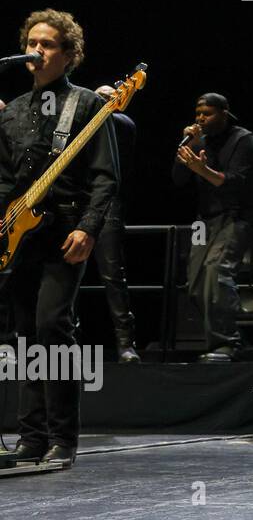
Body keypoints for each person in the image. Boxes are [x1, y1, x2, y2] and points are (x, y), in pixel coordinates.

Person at [0, 10, 118, 466]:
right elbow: (5, 180)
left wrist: (88, 227)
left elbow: (106, 178)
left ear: (69, 55)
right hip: (19, 236)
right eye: (32, 42)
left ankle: (63, 438)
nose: (36, 50)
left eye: (47, 44)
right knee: (25, 333)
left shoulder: (86, 106)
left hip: (65, 231)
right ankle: (31, 436)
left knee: (52, 324)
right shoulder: (12, 112)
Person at [171, 93, 253, 363]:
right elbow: (178, 180)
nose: (200, 119)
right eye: (198, 113)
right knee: (195, 283)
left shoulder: (243, 139)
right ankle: (226, 340)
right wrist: (187, 150)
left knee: (216, 272)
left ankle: (227, 345)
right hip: (203, 221)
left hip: (236, 215)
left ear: (224, 113)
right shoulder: (200, 141)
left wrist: (202, 169)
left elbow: (235, 182)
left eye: (207, 113)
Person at [92, 85, 139, 362]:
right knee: (65, 273)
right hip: (78, 201)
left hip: (109, 203)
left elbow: (118, 126)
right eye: (98, 99)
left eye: (108, 99)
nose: (102, 103)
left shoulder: (122, 123)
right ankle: (67, 341)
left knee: (112, 274)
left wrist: (106, 110)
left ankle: (125, 343)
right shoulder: (83, 125)